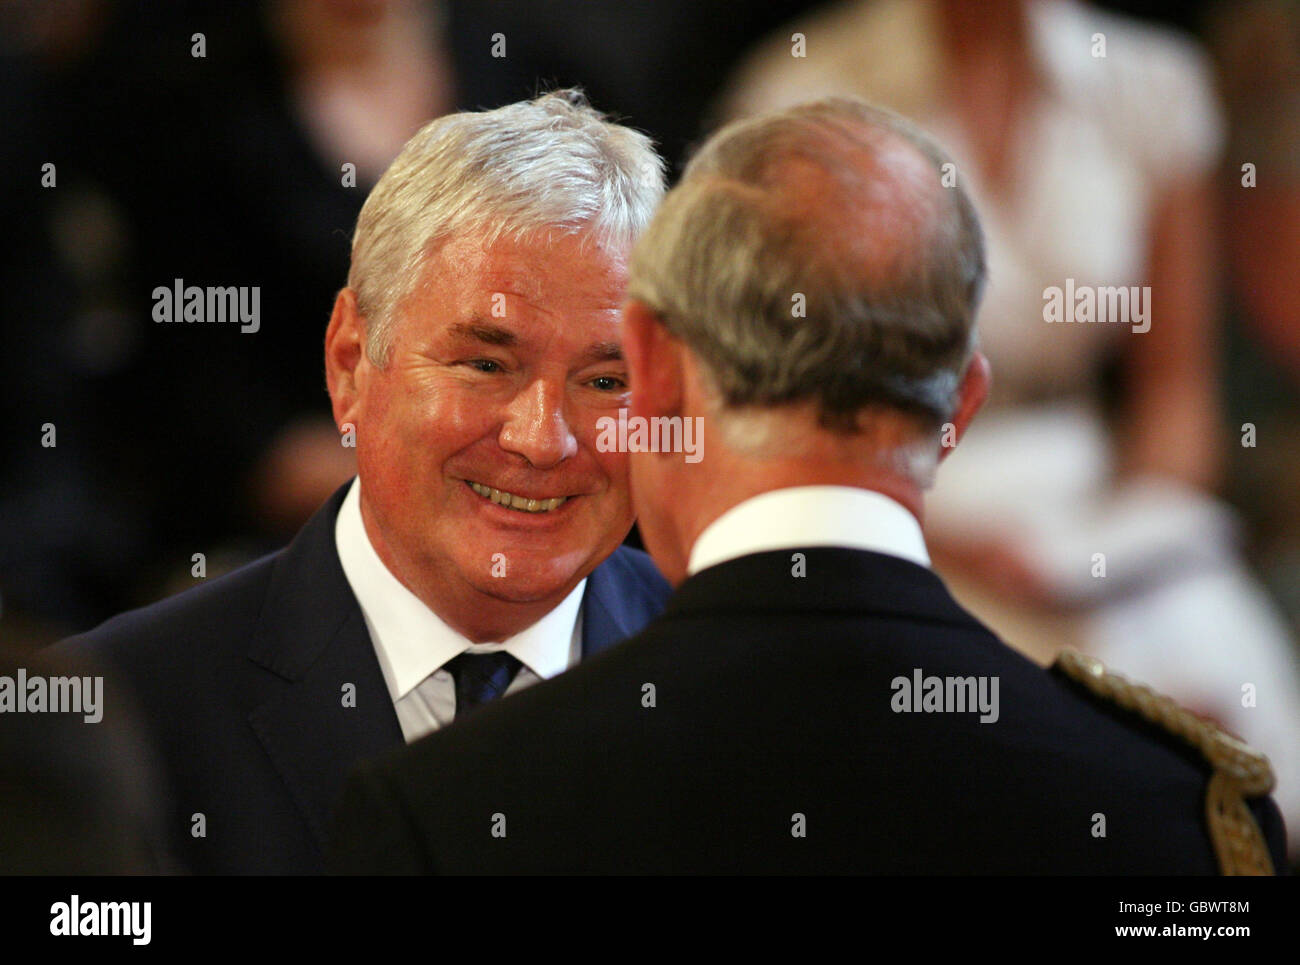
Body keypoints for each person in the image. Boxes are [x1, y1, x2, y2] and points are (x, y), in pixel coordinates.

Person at [328, 97, 1288, 874]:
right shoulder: (1178, 814)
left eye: (606, 377)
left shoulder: (451, 810)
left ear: (655, 366)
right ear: (961, 408)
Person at [55, 90, 672, 874]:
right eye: (485, 365)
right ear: (350, 363)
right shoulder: (118, 715)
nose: (541, 439)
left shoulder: (747, 697)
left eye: (606, 380)